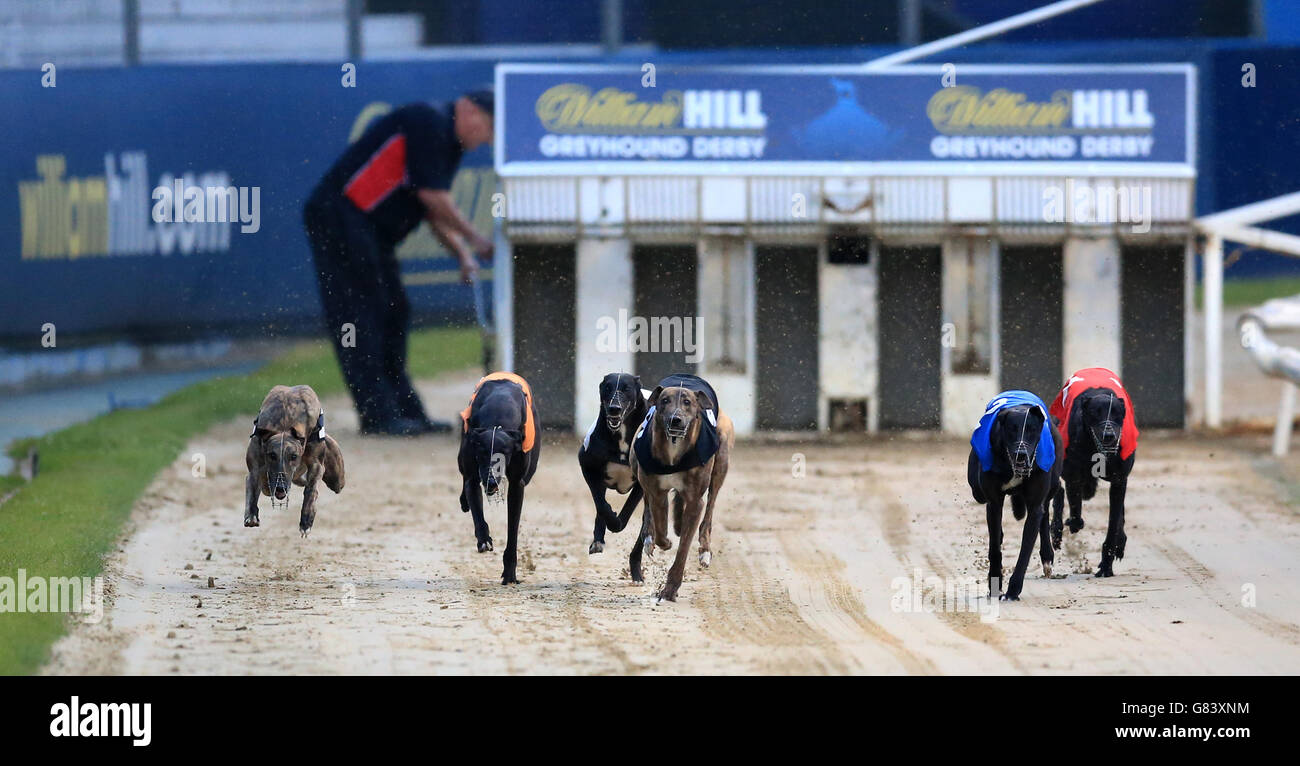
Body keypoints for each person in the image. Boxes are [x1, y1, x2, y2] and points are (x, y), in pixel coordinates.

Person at [304, 89, 494, 435]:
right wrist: (477, 239)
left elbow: (431, 209)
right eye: (489, 128)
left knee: (394, 310)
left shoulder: (448, 144)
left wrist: (463, 254)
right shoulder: (429, 122)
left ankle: (406, 410)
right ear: (469, 110)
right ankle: (378, 414)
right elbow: (432, 197)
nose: (487, 140)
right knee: (363, 313)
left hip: (370, 230)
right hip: (342, 217)